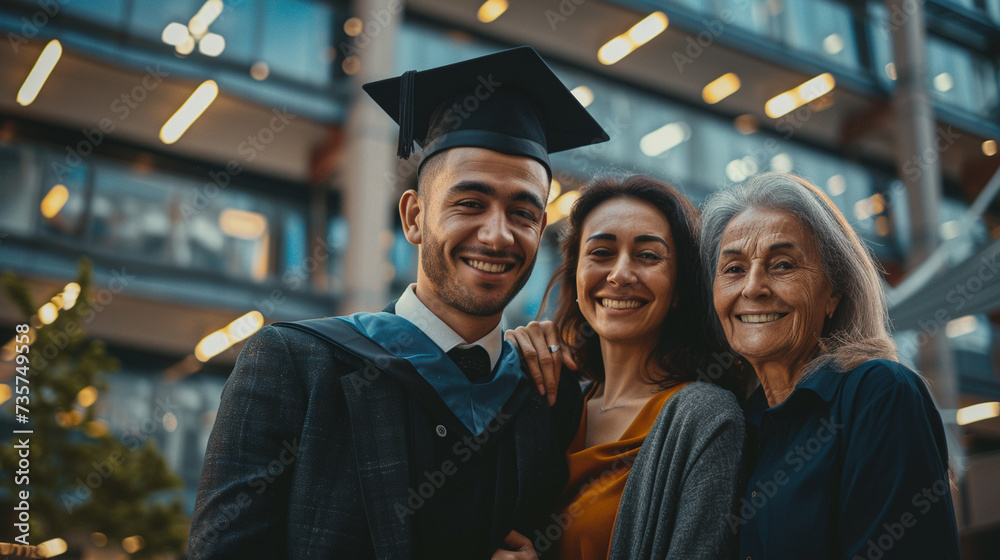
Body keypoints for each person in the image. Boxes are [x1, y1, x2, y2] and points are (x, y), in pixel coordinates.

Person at [188, 47, 608, 559]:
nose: (497, 235)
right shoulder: (295, 367)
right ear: (413, 217)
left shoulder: (550, 397)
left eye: (522, 212)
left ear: (540, 229)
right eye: (469, 204)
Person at [700, 172, 962, 559]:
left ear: (834, 294)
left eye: (783, 264)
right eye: (734, 269)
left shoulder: (879, 393)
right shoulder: (735, 427)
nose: (752, 287)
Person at [506, 175, 746, 559]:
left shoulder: (706, 419)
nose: (619, 274)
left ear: (680, 286)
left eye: (648, 256)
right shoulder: (551, 401)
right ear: (576, 274)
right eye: (601, 252)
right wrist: (505, 366)